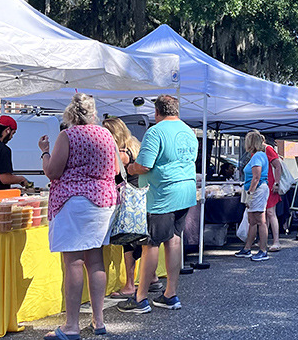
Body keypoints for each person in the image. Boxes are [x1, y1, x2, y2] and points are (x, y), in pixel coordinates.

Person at [38, 93, 119, 339]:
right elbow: (116, 169)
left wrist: (44, 152)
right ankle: (99, 321)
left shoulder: (68, 135)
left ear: (71, 114)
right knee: (95, 260)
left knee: (73, 261)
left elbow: (53, 172)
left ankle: (71, 325)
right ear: (93, 113)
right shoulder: (106, 135)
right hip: (103, 201)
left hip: (74, 202)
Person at [118, 94, 198, 314]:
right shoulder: (189, 132)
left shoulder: (155, 131)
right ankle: (170, 294)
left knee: (150, 243)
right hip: (186, 190)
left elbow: (144, 165)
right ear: (176, 111)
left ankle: (141, 297)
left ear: (157, 112)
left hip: (162, 193)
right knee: (173, 240)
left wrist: (130, 168)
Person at [102, 117, 162, 300]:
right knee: (142, 240)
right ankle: (152, 277)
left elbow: (112, 176)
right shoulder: (134, 145)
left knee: (128, 242)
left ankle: (129, 285)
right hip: (141, 198)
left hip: (129, 201)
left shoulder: (119, 153)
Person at [235, 130, 270, 261]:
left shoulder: (257, 156)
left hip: (257, 190)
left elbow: (256, 177)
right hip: (256, 189)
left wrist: (249, 194)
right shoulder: (258, 155)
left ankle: (263, 250)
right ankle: (248, 248)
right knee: (252, 220)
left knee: (260, 220)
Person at [263, 137, 283, 252]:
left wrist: (276, 182)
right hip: (264, 185)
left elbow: (278, 165)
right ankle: (264, 240)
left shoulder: (267, 149)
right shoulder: (257, 150)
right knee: (264, 214)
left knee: (270, 212)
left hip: (270, 185)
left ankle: (276, 241)